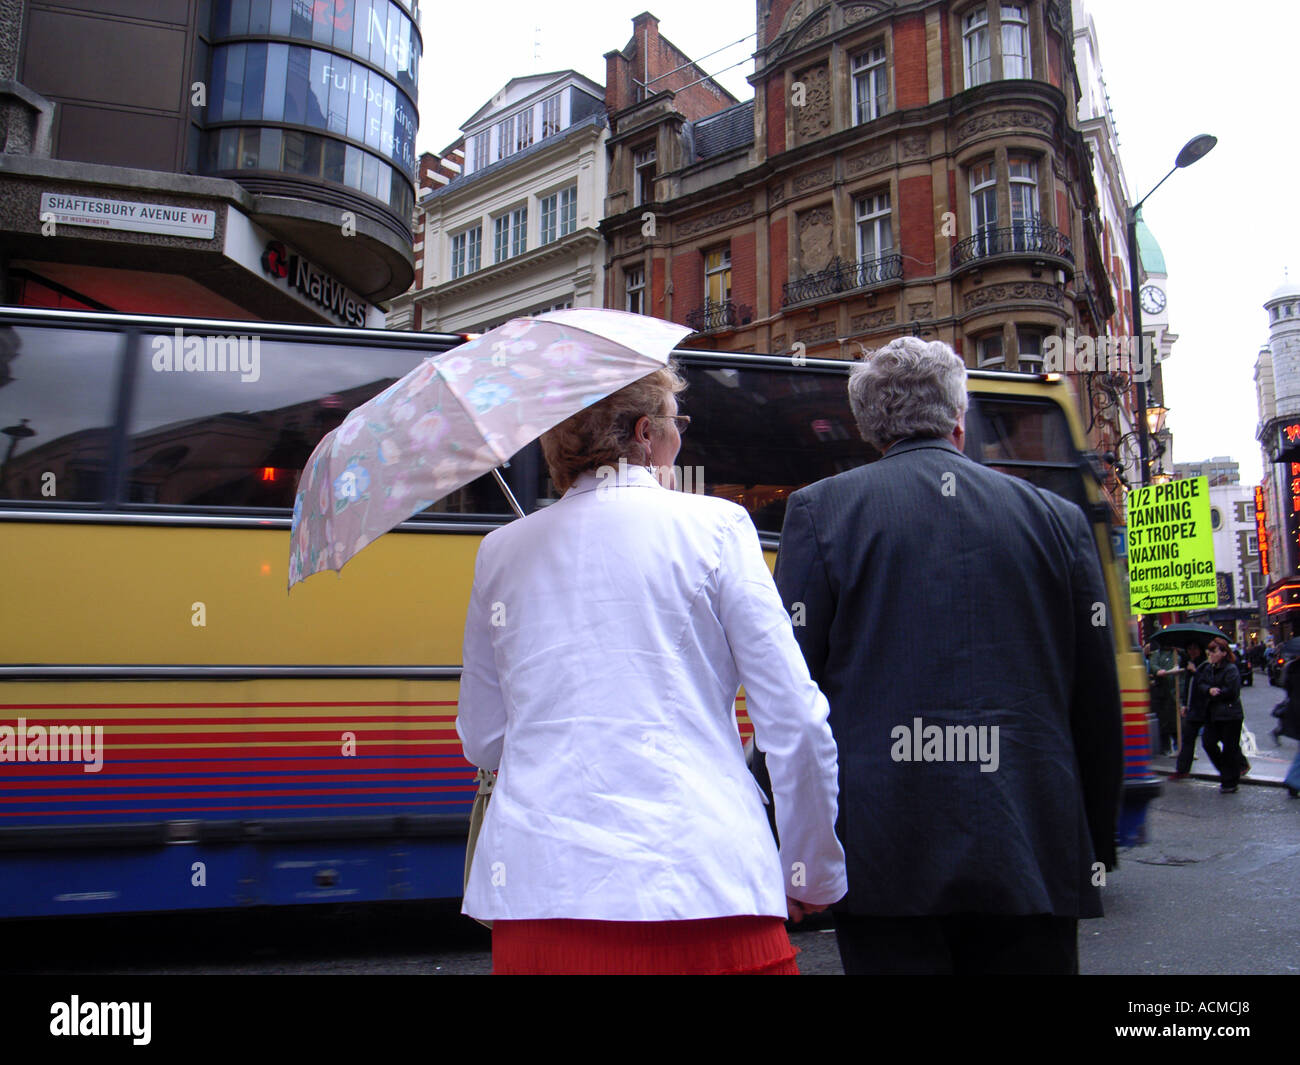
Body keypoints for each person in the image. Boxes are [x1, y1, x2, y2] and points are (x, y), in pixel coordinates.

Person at [456, 364, 847, 974]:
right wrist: (811, 870)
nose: (679, 438)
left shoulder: (500, 552)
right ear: (644, 433)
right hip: (705, 892)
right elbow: (795, 721)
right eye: (676, 423)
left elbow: (484, 739)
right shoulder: (718, 527)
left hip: (542, 902)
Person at [773, 336, 1123, 976]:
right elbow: (1096, 701)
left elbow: (795, 699)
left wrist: (798, 854)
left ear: (868, 424)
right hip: (1033, 845)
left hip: (885, 858)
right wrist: (1092, 843)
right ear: (960, 417)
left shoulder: (821, 512)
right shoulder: (1057, 519)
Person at [1196, 637, 1245, 793]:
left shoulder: (1231, 669)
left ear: (1224, 653)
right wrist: (1208, 690)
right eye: (1209, 651)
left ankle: (1229, 781)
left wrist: (1216, 692)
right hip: (1213, 714)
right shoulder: (1208, 668)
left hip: (1230, 715)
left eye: (1214, 651)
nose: (1211, 654)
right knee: (1208, 743)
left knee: (1230, 749)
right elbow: (1201, 684)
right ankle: (1227, 772)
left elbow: (1232, 691)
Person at [1146, 640, 1178, 756]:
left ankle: (1178, 746)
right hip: (1162, 693)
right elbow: (1154, 666)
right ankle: (1166, 747)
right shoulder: (1157, 654)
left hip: (1175, 691)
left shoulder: (1177, 653)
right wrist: (1158, 671)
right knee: (1164, 722)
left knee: (1176, 722)